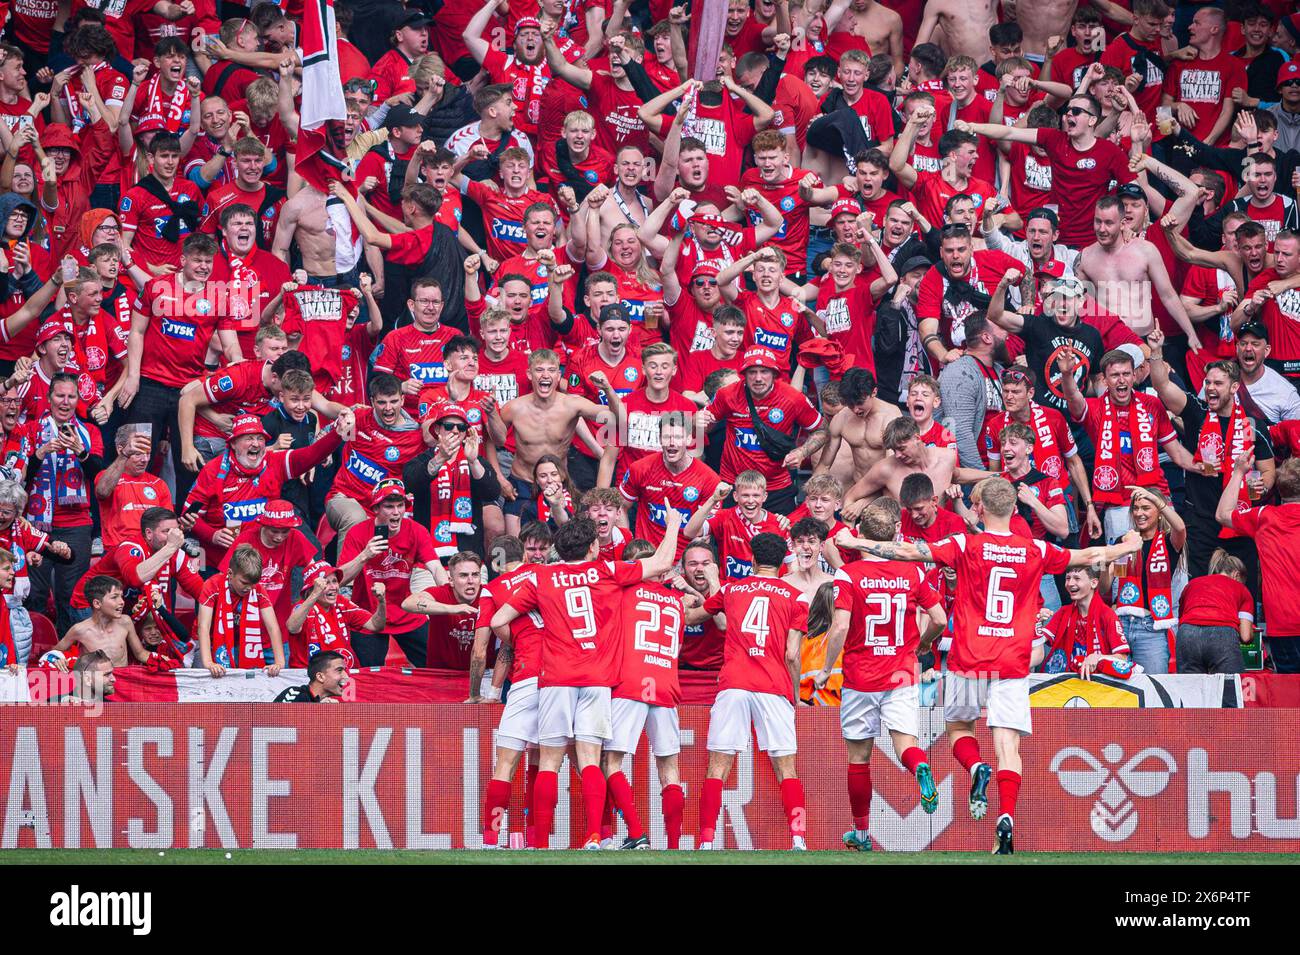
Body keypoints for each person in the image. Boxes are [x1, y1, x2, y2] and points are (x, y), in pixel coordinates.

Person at [841, 476, 1144, 854]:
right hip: (1013, 662)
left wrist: (858, 543)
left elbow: (908, 553)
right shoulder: (1034, 548)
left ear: (980, 509)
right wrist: (1127, 545)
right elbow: (1086, 556)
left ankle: (974, 769)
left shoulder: (964, 543)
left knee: (958, 730)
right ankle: (1007, 818)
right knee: (1008, 746)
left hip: (970, 660)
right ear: (1014, 509)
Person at [490, 509, 682, 850]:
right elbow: (663, 562)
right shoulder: (606, 570)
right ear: (593, 546)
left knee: (549, 760)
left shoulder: (541, 578)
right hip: (597, 678)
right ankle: (595, 836)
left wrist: (532, 634)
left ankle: (541, 846)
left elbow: (498, 620)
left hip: (556, 677)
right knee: (591, 759)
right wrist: (672, 524)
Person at [815, 502, 947, 850]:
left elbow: (841, 624)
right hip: (902, 672)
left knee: (859, 758)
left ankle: (861, 834)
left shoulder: (849, 575)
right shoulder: (913, 573)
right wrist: (922, 645)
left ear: (860, 536)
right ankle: (920, 768)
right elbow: (939, 619)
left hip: (861, 676)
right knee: (906, 743)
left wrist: (827, 669)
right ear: (896, 536)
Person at [691, 532, 809, 851]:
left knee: (718, 765)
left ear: (753, 560)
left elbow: (700, 615)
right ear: (783, 562)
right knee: (786, 767)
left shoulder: (732, 589)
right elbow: (792, 654)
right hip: (773, 686)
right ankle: (798, 839)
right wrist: (794, 693)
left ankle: (706, 842)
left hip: (734, 683)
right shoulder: (796, 596)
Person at [600, 537, 688, 850]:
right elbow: (678, 647)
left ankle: (637, 834)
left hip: (630, 681)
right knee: (670, 768)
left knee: (611, 762)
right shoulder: (676, 602)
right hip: (666, 683)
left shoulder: (623, 592)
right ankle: (675, 847)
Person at [338, 479, 461, 667]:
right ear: (376, 509)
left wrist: (449, 598)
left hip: (405, 611)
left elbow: (436, 567)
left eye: (400, 506)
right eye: (389, 506)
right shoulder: (358, 533)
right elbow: (341, 579)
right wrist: (364, 556)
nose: (396, 512)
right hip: (368, 614)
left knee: (438, 661)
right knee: (369, 675)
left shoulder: (416, 530)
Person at [697, 347, 825, 514]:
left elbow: (822, 430)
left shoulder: (792, 398)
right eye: (752, 372)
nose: (758, 378)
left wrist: (802, 451)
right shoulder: (727, 394)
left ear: (774, 373)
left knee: (778, 539)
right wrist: (698, 422)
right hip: (734, 485)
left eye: (764, 371)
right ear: (744, 374)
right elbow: (706, 426)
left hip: (776, 486)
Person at [1217, 454, 1300, 674]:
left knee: (1290, 699)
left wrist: (1238, 473)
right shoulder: (1262, 515)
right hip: (1284, 625)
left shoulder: (1264, 516)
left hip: (1282, 624)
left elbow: (1222, 514)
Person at [196, 543, 286, 677]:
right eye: (244, 583)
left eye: (253, 583)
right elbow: (203, 626)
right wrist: (209, 662)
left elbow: (273, 627)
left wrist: (279, 663)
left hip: (240, 644)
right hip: (207, 643)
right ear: (230, 574)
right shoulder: (212, 586)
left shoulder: (258, 590)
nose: (249, 588)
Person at [286, 561, 385, 669]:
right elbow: (292, 627)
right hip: (309, 677)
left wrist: (381, 602)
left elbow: (376, 625)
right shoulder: (302, 608)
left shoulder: (342, 603)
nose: (333, 587)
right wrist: (315, 593)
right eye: (326, 583)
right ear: (311, 588)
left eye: (335, 581)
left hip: (344, 674)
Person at [1042, 565, 1131, 679]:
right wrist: (1036, 621)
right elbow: (1039, 641)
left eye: (1077, 578)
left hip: (1099, 684)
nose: (1070, 583)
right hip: (1065, 683)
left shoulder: (1107, 615)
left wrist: (1098, 657)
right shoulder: (1063, 612)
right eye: (1068, 578)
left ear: (1093, 583)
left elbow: (1122, 658)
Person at [1175, 549, 1255, 675]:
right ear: (1236, 575)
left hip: (1187, 635)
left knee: (1189, 689)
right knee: (1229, 688)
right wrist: (1251, 633)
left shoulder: (1192, 584)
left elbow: (1182, 617)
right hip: (1222, 635)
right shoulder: (1242, 589)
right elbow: (1245, 636)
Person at [274, 650, 350, 702]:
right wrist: (318, 712)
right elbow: (276, 724)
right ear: (320, 677)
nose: (346, 677)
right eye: (339, 670)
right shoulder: (295, 694)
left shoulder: (330, 704)